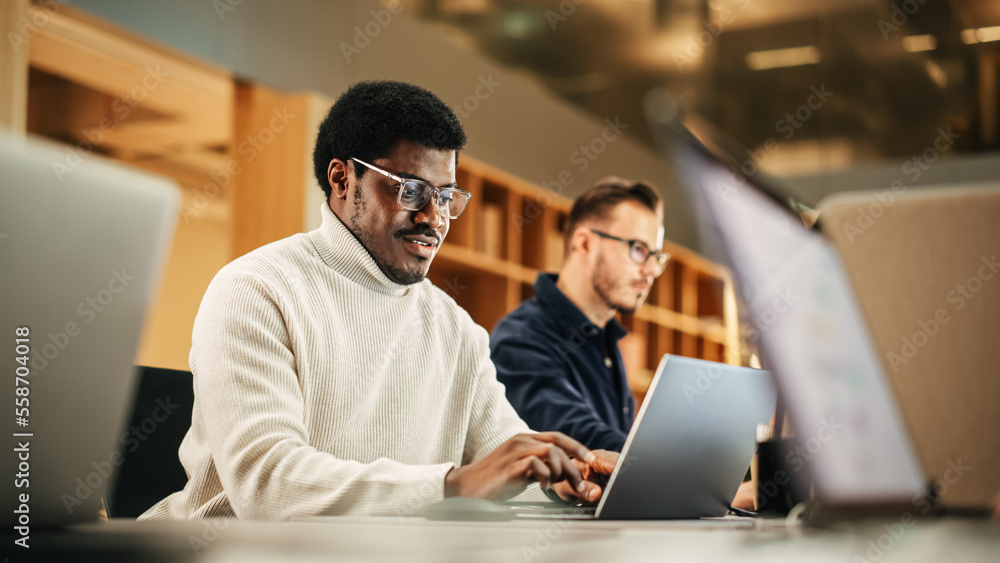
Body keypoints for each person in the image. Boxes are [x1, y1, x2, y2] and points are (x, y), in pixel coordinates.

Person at [140, 80, 615, 521]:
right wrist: (450, 487)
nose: (435, 218)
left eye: (446, 196)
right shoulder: (256, 289)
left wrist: (570, 476)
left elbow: (503, 459)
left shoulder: (455, 327)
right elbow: (266, 485)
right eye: (412, 191)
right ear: (343, 180)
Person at [490, 178, 665, 453]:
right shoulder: (520, 338)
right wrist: (682, 473)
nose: (653, 270)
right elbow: (579, 442)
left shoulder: (606, 338)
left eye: (657, 256)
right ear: (584, 244)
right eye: (639, 250)